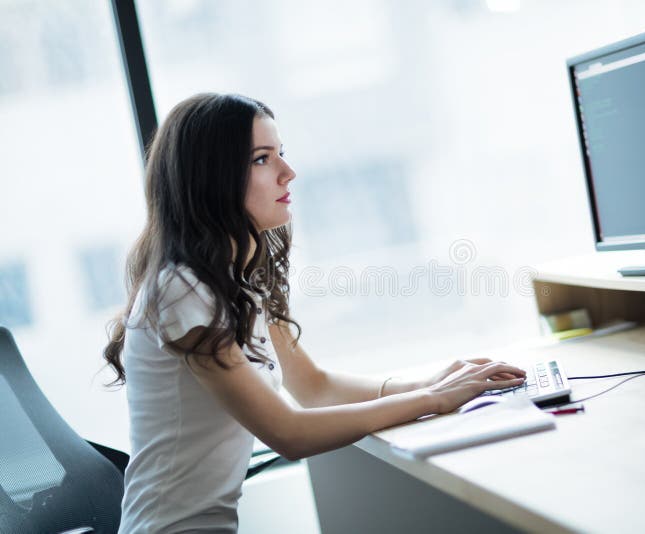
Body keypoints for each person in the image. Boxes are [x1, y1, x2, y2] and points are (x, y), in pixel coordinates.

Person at [103, 92, 527, 533]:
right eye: (263, 159)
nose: (289, 172)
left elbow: (314, 387)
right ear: (213, 179)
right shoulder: (181, 291)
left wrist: (430, 382)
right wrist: (432, 400)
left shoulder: (236, 282)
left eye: (280, 153)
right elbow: (289, 433)